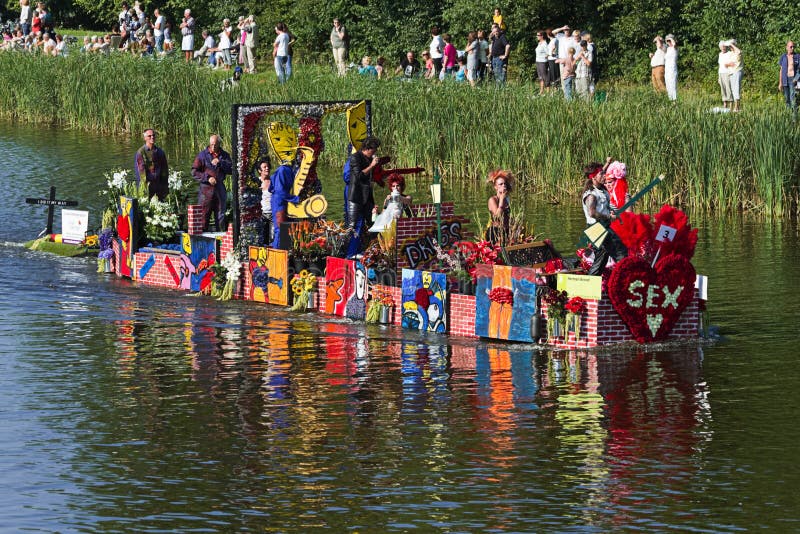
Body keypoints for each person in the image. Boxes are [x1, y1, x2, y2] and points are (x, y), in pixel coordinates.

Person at [582, 163, 627, 276]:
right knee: (620, 252)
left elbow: (605, 207)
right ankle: (628, 277)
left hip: (603, 227)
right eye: (601, 173)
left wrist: (614, 213)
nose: (604, 176)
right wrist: (608, 217)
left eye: (604, 173)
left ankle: (593, 282)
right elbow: (592, 213)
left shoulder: (602, 189)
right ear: (593, 177)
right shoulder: (591, 194)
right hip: (595, 228)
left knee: (602, 258)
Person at [346, 136, 381, 257]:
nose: (375, 152)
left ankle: (372, 251)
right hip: (356, 197)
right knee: (354, 226)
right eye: (374, 150)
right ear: (368, 148)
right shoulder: (355, 157)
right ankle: (350, 254)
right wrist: (372, 165)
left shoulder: (369, 158)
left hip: (367, 197)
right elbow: (359, 176)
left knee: (374, 222)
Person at [192, 134, 232, 232]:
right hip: (206, 190)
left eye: (215, 144)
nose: (213, 147)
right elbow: (194, 172)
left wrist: (220, 163)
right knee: (204, 214)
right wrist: (207, 178)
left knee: (221, 215)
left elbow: (231, 170)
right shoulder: (202, 155)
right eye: (211, 144)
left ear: (219, 144)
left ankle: (222, 238)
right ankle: (202, 237)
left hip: (219, 188)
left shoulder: (225, 155)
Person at [268, 153, 299, 249]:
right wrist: (295, 199)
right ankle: (276, 255)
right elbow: (279, 190)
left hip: (283, 201)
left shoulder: (287, 169)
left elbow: (272, 188)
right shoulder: (283, 170)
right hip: (279, 202)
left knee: (286, 228)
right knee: (280, 229)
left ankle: (284, 253)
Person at [134, 128, 169, 201]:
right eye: (149, 136)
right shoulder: (141, 153)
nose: (152, 137)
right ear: (145, 138)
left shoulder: (160, 152)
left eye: (153, 135)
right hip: (148, 187)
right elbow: (141, 174)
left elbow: (165, 171)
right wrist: (144, 190)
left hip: (159, 186)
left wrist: (165, 186)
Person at [486, 169, 513, 245]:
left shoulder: (506, 199)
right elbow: (497, 216)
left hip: (507, 230)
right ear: (495, 187)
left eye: (504, 184)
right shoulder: (492, 200)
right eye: (500, 184)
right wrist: (501, 199)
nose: (503, 186)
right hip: (495, 232)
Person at [778, 41, 799, 111]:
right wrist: (780, 83)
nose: (792, 48)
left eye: (793, 47)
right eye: (791, 47)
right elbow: (781, 70)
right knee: (787, 99)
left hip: (794, 79)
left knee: (793, 98)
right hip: (785, 79)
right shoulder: (783, 57)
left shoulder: (797, 56)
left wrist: (796, 78)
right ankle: (788, 117)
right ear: (787, 47)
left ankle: (794, 118)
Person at [257, 158, 273, 245]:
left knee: (273, 238)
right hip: (262, 214)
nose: (267, 168)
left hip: (272, 213)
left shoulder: (273, 181)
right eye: (264, 167)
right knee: (262, 238)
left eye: (268, 167)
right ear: (260, 170)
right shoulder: (256, 182)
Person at [718, 41, 733, 110]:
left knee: (728, 88)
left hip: (727, 73)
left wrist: (728, 65)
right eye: (721, 47)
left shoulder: (729, 53)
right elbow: (720, 65)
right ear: (720, 47)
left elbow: (733, 62)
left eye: (724, 46)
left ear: (726, 47)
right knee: (722, 89)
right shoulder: (720, 54)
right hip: (721, 73)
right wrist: (718, 77)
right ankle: (724, 104)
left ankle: (731, 104)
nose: (723, 48)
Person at [728, 39, 742, 112]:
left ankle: (737, 107)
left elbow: (739, 51)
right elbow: (726, 63)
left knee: (736, 89)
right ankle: (735, 107)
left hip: (737, 72)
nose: (730, 47)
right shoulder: (731, 53)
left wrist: (732, 44)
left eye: (731, 46)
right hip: (731, 73)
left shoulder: (737, 52)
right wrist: (729, 64)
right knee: (733, 90)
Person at [664, 34, 678, 101]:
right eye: (667, 41)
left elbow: (674, 44)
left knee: (672, 86)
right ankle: (670, 101)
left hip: (672, 70)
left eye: (669, 40)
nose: (668, 42)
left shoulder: (675, 48)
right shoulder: (668, 49)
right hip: (667, 70)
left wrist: (671, 39)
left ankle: (674, 102)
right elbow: (661, 46)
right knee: (668, 86)